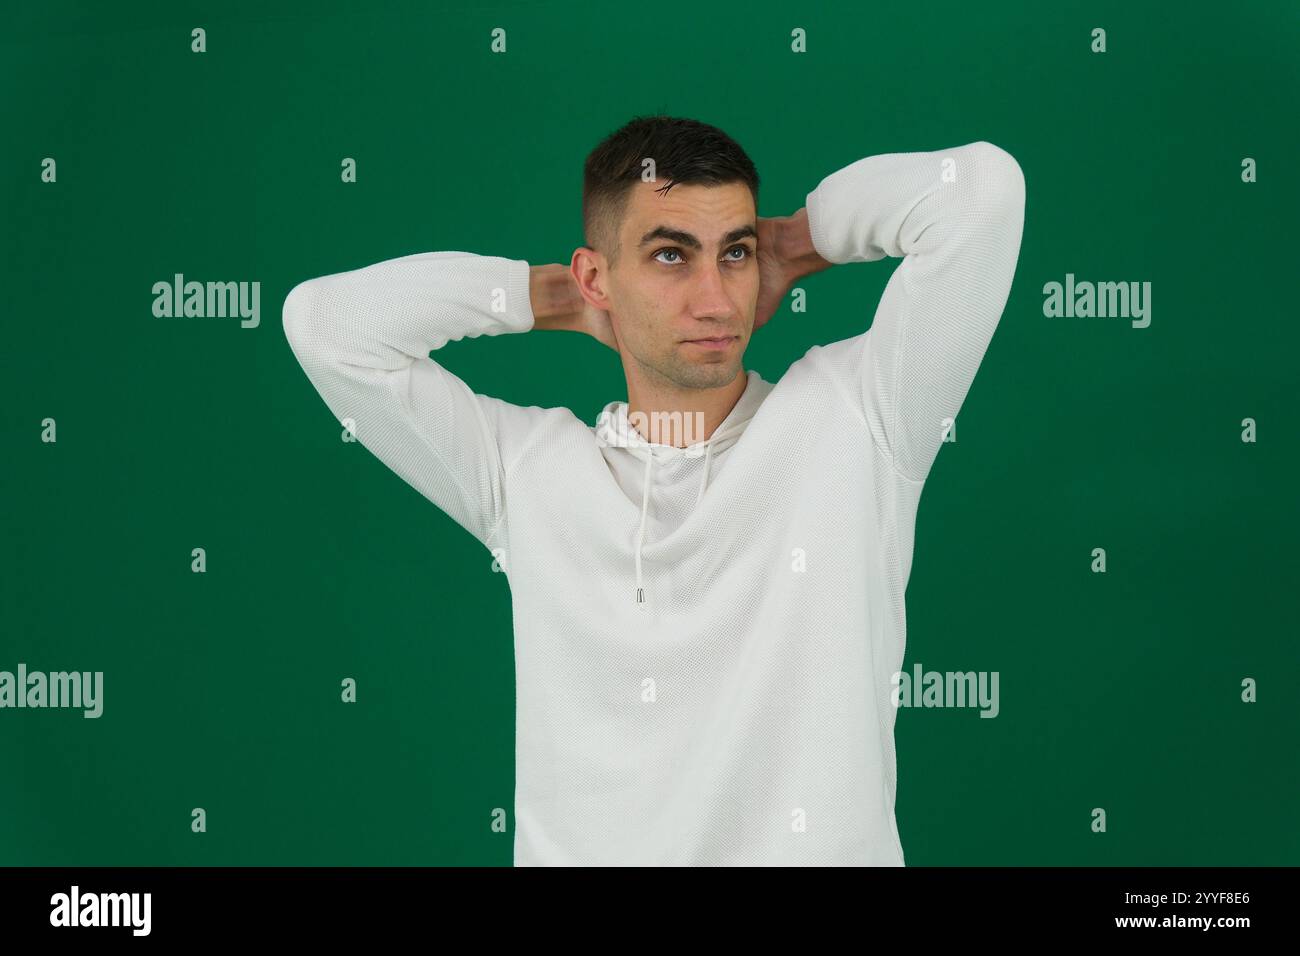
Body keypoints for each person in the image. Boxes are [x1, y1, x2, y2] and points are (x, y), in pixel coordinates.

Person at [282, 115, 1026, 866]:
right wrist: (555, 299)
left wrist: (795, 242)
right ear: (596, 276)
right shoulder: (527, 474)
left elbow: (982, 195)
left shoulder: (859, 420)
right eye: (671, 255)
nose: (716, 298)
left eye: (734, 253)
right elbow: (324, 326)